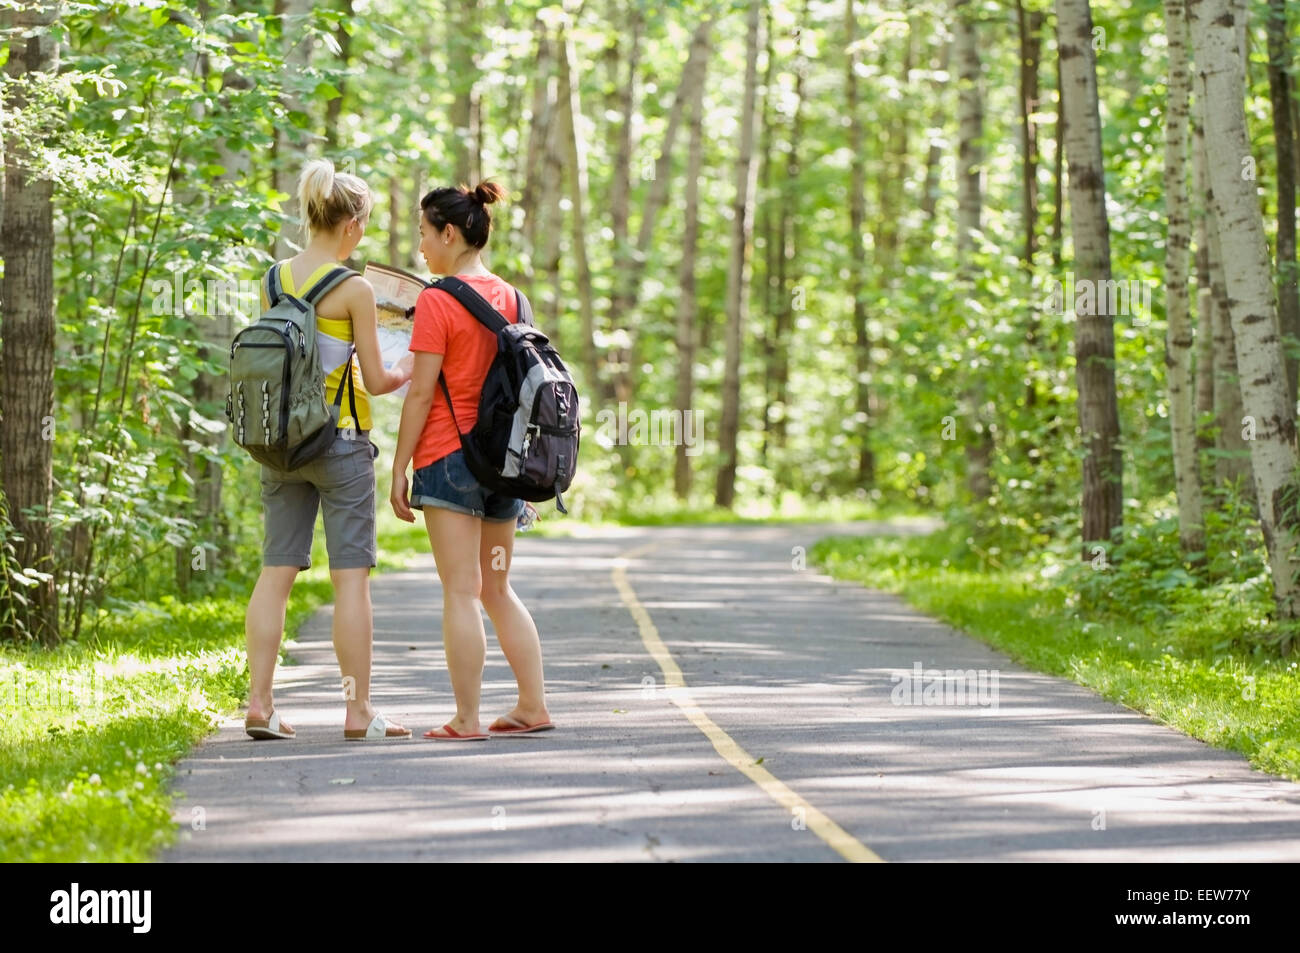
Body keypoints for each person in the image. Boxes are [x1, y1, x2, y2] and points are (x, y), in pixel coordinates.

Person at [244, 158, 414, 742]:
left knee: (276, 572)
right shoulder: (355, 289)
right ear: (350, 226)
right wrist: (410, 362)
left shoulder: (272, 281)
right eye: (363, 224)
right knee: (350, 580)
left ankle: (260, 704)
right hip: (340, 445)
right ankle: (356, 710)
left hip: (280, 444)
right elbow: (378, 378)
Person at [390, 181, 554, 741]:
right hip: (506, 462)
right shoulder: (514, 298)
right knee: (497, 587)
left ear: (449, 232)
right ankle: (532, 705)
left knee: (461, 590)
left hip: (449, 458)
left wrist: (398, 468)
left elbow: (419, 393)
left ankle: (466, 718)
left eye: (423, 235)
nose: (421, 249)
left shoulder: (437, 300)